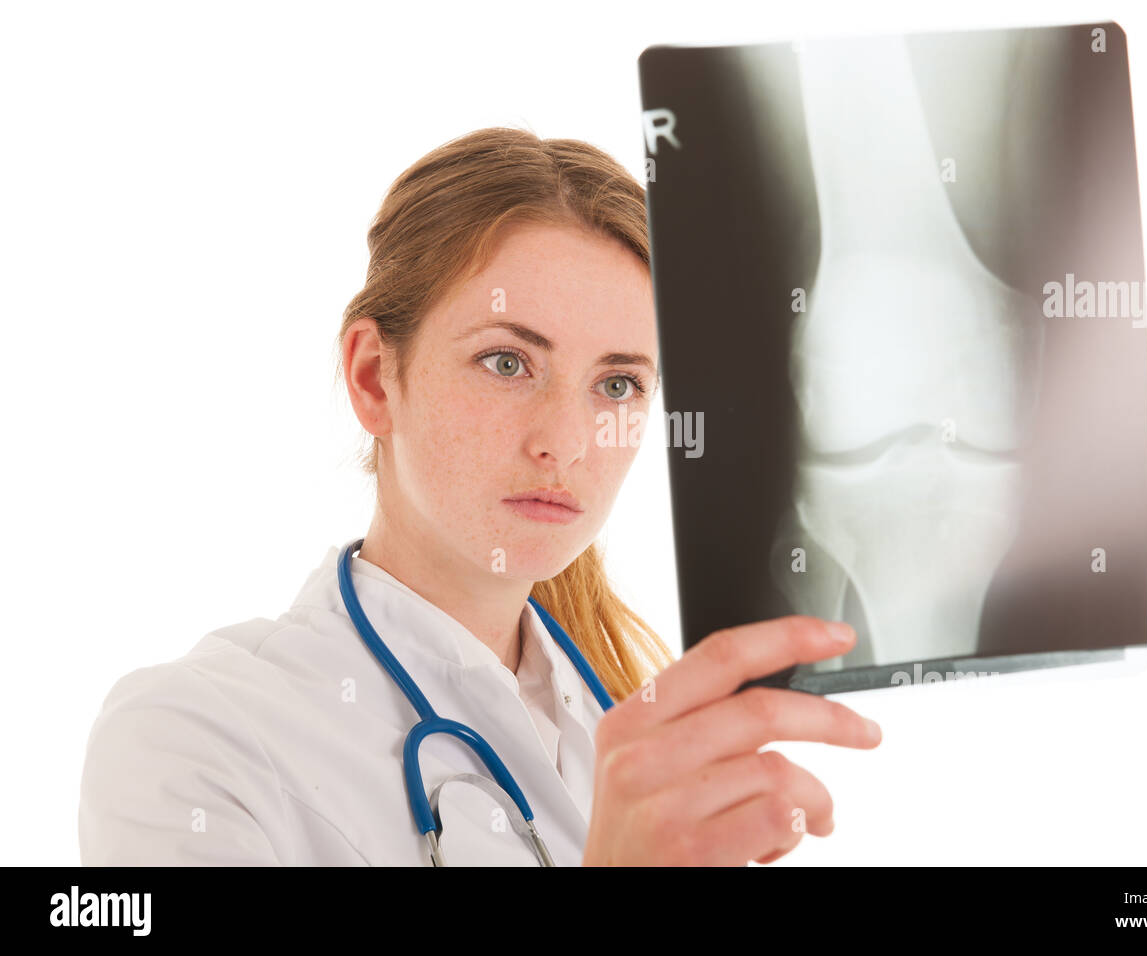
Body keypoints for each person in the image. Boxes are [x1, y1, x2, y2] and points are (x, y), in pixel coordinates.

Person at [77, 127, 882, 867]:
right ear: (373, 379)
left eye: (617, 383)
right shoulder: (190, 737)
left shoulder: (633, 742)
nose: (564, 441)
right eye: (507, 363)